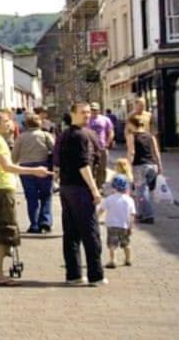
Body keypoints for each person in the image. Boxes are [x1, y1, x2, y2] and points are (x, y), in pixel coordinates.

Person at [0, 109, 51, 286]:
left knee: (3, 230)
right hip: (2, 189)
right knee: (5, 231)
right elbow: (7, 167)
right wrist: (35, 171)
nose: (10, 124)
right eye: (6, 121)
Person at [59, 100, 106, 285]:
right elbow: (83, 164)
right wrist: (94, 189)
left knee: (71, 232)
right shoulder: (79, 136)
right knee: (90, 231)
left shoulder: (65, 135)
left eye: (88, 112)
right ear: (72, 114)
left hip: (67, 186)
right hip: (79, 187)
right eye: (82, 112)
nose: (87, 115)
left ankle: (74, 274)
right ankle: (96, 274)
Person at [12, 112, 55, 233]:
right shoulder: (45, 135)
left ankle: (34, 224)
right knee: (46, 195)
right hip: (43, 166)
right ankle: (45, 221)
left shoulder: (21, 137)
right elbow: (55, 150)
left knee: (31, 197)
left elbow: (14, 157)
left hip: (26, 169)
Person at [128, 112, 163, 223]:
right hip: (151, 165)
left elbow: (132, 152)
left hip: (139, 165)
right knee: (145, 190)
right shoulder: (150, 136)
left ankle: (147, 215)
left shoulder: (132, 136)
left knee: (141, 191)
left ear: (133, 124)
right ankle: (141, 213)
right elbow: (156, 152)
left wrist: (128, 165)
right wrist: (159, 165)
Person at [100, 174, 137, 269]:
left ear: (113, 187)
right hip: (124, 226)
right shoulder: (129, 200)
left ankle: (113, 260)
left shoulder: (109, 199)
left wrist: (95, 218)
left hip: (111, 225)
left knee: (112, 244)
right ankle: (128, 259)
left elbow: (101, 210)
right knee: (126, 243)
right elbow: (132, 214)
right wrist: (131, 226)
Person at [87, 102, 114, 187]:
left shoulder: (105, 119)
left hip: (102, 147)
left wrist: (108, 143)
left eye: (95, 110)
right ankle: (91, 186)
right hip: (89, 148)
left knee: (102, 167)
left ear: (99, 110)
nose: (93, 111)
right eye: (92, 109)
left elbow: (110, 131)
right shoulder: (86, 119)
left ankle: (100, 185)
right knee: (90, 167)